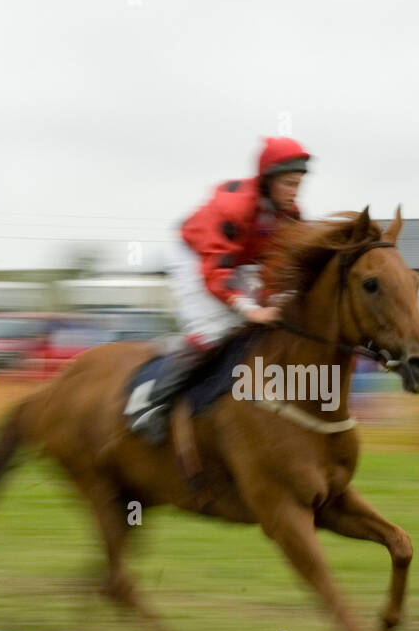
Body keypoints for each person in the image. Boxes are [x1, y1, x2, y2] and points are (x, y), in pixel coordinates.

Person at [130, 137, 310, 444]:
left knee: (257, 328)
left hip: (235, 260)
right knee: (213, 330)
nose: (294, 192)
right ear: (268, 180)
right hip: (195, 255)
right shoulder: (234, 207)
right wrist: (250, 308)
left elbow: (277, 265)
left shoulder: (289, 214)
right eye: (288, 184)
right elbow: (215, 271)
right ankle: (149, 404)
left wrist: (273, 299)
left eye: (298, 184)